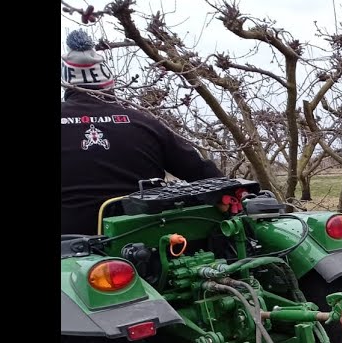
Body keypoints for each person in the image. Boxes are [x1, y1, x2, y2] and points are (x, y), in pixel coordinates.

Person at [60, 30, 222, 235]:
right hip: (146, 243)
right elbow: (201, 173)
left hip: (70, 250)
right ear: (108, 82)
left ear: (67, 82)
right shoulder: (144, 123)